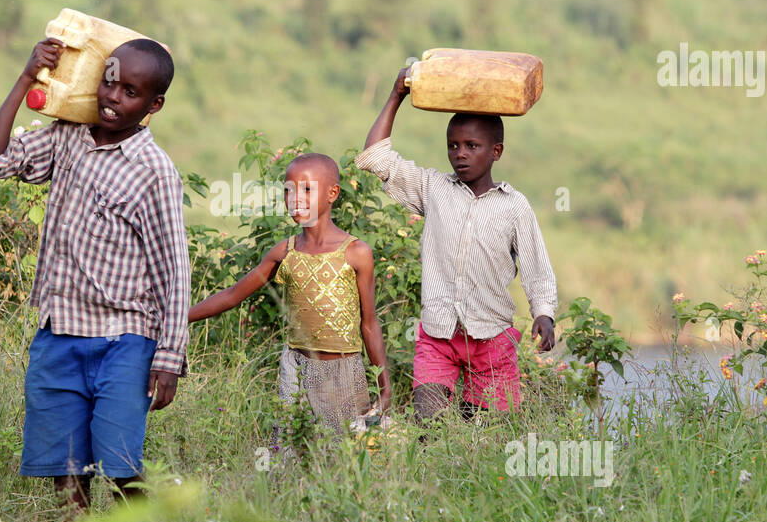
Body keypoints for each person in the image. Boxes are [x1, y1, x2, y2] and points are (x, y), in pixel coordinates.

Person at [0, 36, 190, 513]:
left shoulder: (154, 170)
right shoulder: (68, 136)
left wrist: (169, 357)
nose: (113, 97)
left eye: (130, 92)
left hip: (125, 339)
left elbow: (174, 268)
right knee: (64, 465)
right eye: (109, 82)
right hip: (59, 333)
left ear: (154, 105)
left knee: (120, 463)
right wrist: (27, 76)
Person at [355, 66, 557, 425]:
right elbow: (375, 157)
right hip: (438, 333)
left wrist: (544, 314)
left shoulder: (514, 206)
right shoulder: (434, 189)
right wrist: (396, 95)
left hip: (492, 338)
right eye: (453, 145)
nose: (460, 154)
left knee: (490, 430)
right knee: (429, 423)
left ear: (496, 151)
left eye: (472, 146)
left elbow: (536, 267)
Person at [189, 153, 391, 436]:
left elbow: (369, 323)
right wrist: (178, 317)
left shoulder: (356, 253)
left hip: (344, 372)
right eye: (289, 190)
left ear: (332, 193)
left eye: (307, 189)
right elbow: (233, 294)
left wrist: (385, 389)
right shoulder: (285, 252)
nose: (296, 198)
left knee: (340, 453)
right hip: (295, 366)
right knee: (289, 446)